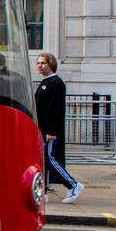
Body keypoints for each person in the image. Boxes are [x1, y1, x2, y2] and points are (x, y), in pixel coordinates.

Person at [34, 52, 84, 204]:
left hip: (49, 131)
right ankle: (43, 191)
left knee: (50, 159)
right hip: (42, 129)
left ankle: (73, 185)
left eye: (43, 63)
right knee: (44, 160)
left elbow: (55, 109)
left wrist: (51, 131)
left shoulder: (56, 83)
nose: (40, 65)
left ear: (51, 64)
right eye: (38, 63)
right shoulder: (45, 82)